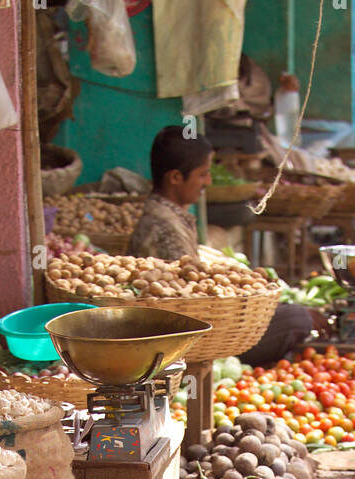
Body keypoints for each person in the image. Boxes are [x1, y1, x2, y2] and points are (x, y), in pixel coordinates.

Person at [129, 127, 321, 369]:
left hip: (186, 331)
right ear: (175, 178)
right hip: (182, 344)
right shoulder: (165, 226)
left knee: (289, 315)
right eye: (202, 174)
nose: (208, 182)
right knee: (296, 319)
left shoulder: (169, 216)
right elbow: (186, 309)